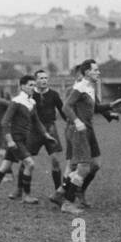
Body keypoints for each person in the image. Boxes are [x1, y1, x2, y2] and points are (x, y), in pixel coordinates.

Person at [58, 59, 121, 213]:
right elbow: (65, 107)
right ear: (87, 72)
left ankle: (62, 193)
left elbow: (94, 107)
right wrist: (76, 121)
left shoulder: (90, 87)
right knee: (83, 168)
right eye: (95, 70)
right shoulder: (80, 87)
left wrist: (111, 105)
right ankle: (67, 202)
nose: (98, 72)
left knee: (94, 164)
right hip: (79, 131)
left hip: (87, 130)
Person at [0, 75, 50, 205]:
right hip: (16, 140)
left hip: (23, 139)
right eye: (30, 85)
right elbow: (5, 122)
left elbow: (36, 121)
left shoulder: (32, 102)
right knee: (30, 164)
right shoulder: (16, 101)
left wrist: (46, 134)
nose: (33, 88)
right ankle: (27, 196)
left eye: (34, 85)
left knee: (5, 166)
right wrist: (9, 140)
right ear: (22, 86)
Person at [31, 70, 69, 198]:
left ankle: (58, 192)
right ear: (35, 80)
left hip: (50, 128)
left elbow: (63, 111)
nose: (44, 80)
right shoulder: (30, 95)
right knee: (27, 161)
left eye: (46, 78)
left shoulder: (54, 95)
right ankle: (21, 190)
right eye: (41, 78)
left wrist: (71, 123)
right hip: (34, 130)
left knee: (55, 161)